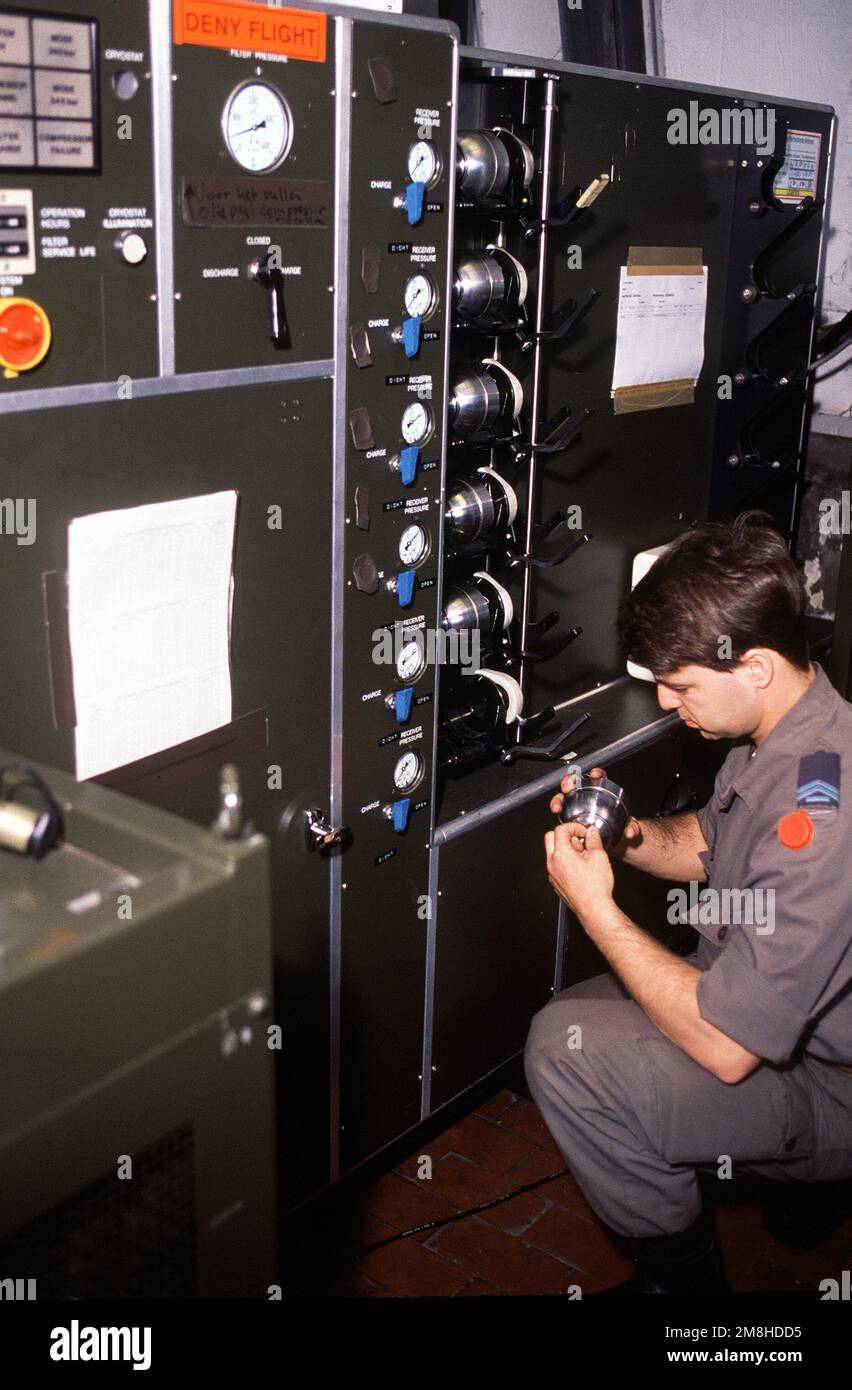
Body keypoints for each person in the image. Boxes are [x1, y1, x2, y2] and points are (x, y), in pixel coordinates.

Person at [524, 513, 852, 1294]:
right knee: (581, 1026)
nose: (669, 703)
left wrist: (597, 908)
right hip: (772, 1009)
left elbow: (728, 1048)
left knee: (562, 1051)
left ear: (757, 666)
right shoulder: (786, 737)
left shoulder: (826, 810)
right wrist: (625, 835)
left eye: (681, 684)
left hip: (823, 1079)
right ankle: (804, 1197)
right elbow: (709, 843)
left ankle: (684, 1285)